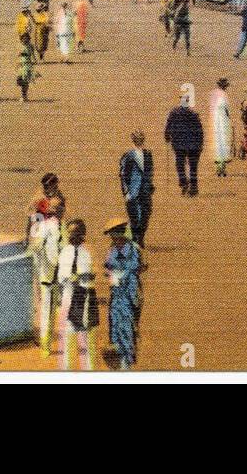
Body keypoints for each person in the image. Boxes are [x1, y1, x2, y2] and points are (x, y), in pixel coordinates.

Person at [28, 179, 64, 356]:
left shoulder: (57, 201)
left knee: (46, 301)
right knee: (43, 299)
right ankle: (43, 340)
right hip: (45, 261)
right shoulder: (41, 203)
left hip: (50, 267)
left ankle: (44, 341)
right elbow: (33, 222)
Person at [103, 219, 144, 370]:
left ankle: (126, 363)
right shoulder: (112, 250)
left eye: (115, 235)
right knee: (114, 328)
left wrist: (120, 275)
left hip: (130, 295)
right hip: (116, 296)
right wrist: (110, 274)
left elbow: (138, 268)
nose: (114, 239)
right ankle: (119, 361)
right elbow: (107, 268)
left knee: (128, 329)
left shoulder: (133, 249)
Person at [58, 218, 98, 370]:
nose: (71, 236)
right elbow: (61, 278)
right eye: (69, 233)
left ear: (82, 234)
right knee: (69, 341)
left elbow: (93, 276)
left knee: (90, 342)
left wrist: (83, 277)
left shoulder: (88, 252)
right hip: (70, 300)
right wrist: (70, 278)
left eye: (75, 233)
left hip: (87, 298)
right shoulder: (65, 252)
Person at [165, 91, 204, 196]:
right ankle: (194, 188)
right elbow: (200, 131)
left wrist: (167, 136)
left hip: (179, 144)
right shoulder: (194, 114)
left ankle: (183, 183)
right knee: (193, 167)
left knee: (180, 165)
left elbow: (168, 126)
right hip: (194, 145)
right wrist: (201, 144)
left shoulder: (174, 112)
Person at [119, 131, 154, 247]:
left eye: (141, 139)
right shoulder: (128, 156)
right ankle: (135, 238)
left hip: (145, 190)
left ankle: (141, 237)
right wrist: (126, 192)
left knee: (146, 214)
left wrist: (150, 185)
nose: (139, 141)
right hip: (132, 191)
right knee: (134, 217)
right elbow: (123, 175)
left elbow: (150, 172)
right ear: (133, 141)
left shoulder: (148, 154)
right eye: (137, 139)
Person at [211, 78, 235, 177]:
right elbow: (226, 111)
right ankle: (221, 169)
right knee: (222, 146)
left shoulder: (217, 96)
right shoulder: (222, 97)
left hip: (218, 123)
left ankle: (220, 169)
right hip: (222, 123)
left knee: (219, 146)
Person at [17, 33, 37, 102]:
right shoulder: (21, 46)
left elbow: (32, 54)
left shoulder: (30, 46)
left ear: (28, 39)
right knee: (21, 81)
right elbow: (19, 55)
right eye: (23, 39)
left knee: (26, 81)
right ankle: (23, 95)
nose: (24, 40)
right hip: (22, 66)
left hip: (28, 65)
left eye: (26, 39)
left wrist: (34, 60)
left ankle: (24, 95)